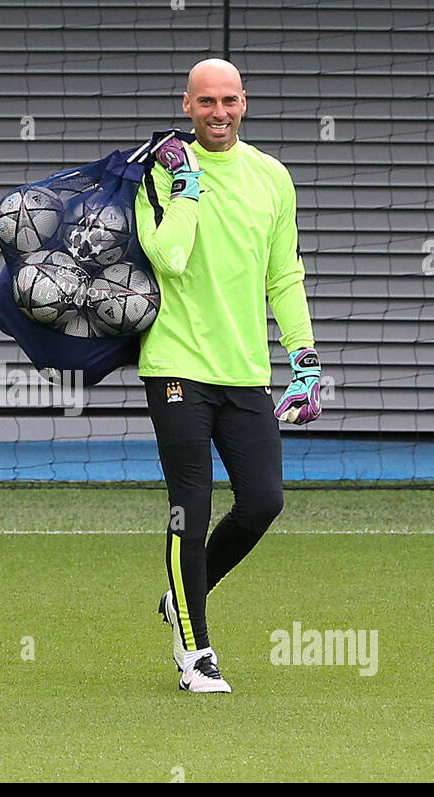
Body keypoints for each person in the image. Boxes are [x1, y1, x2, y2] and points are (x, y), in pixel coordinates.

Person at [136, 58, 322, 693]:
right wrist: (185, 188)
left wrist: (303, 357)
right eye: (206, 102)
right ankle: (196, 654)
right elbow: (170, 256)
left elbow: (284, 276)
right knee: (190, 506)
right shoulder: (159, 171)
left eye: (230, 101)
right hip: (175, 366)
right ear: (186, 106)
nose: (219, 113)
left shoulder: (272, 177)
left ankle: (183, 594)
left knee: (264, 501)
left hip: (245, 371)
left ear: (245, 103)